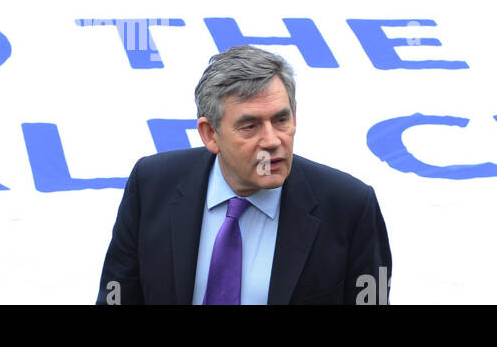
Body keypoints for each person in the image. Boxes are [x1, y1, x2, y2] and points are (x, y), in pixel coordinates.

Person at [96, 45, 392, 305]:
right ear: (210, 134)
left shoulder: (350, 207)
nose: (272, 140)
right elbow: (117, 295)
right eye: (250, 126)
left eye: (281, 120)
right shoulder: (151, 185)